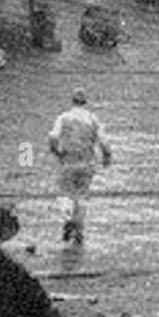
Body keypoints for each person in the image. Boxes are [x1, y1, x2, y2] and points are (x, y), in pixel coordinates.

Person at [49, 89, 111, 244]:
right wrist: (106, 158)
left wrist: (56, 151)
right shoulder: (92, 119)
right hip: (87, 162)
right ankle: (79, 230)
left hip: (68, 161)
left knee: (66, 193)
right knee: (82, 195)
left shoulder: (64, 117)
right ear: (85, 102)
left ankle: (68, 218)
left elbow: (53, 136)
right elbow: (104, 142)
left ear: (72, 101)